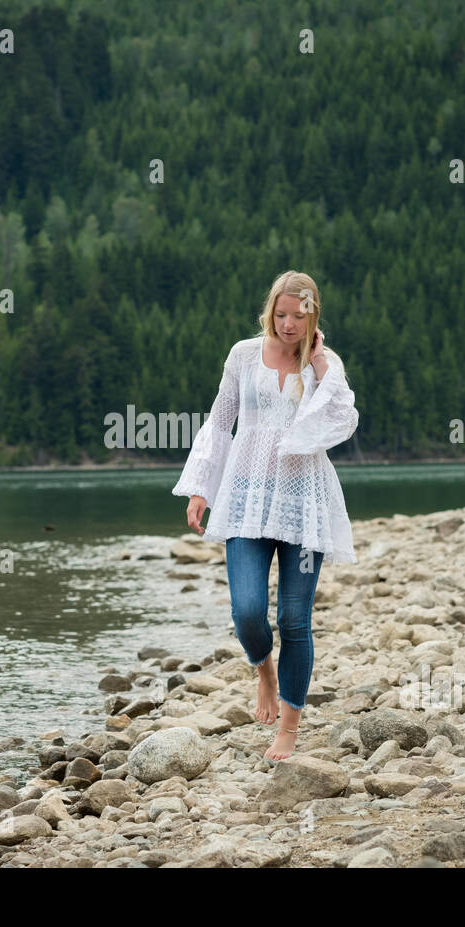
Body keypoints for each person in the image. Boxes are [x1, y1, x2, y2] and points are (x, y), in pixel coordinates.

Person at [172, 270, 359, 761]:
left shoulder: (325, 365)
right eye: (281, 315)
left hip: (304, 503)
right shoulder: (242, 355)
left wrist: (319, 362)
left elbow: (342, 417)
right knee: (247, 611)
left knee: (295, 619)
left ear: (313, 316)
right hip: (245, 501)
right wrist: (199, 488)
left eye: (300, 316)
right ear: (269, 311)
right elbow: (220, 418)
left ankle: (289, 730)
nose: (289, 324)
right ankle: (264, 670)